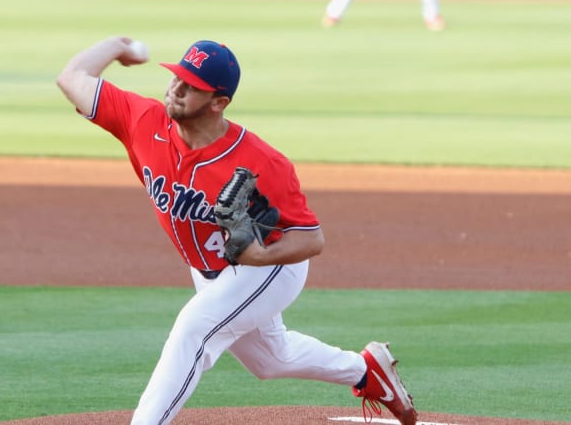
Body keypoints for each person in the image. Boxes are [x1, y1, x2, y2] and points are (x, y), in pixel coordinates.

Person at [57, 37, 419, 425]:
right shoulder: (144, 121)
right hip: (211, 270)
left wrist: (260, 256)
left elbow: (312, 238)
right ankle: (367, 371)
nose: (176, 88)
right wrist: (118, 45)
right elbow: (72, 77)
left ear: (218, 102)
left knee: (193, 330)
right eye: (177, 77)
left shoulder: (262, 160)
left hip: (270, 267)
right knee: (271, 359)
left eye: (190, 85)